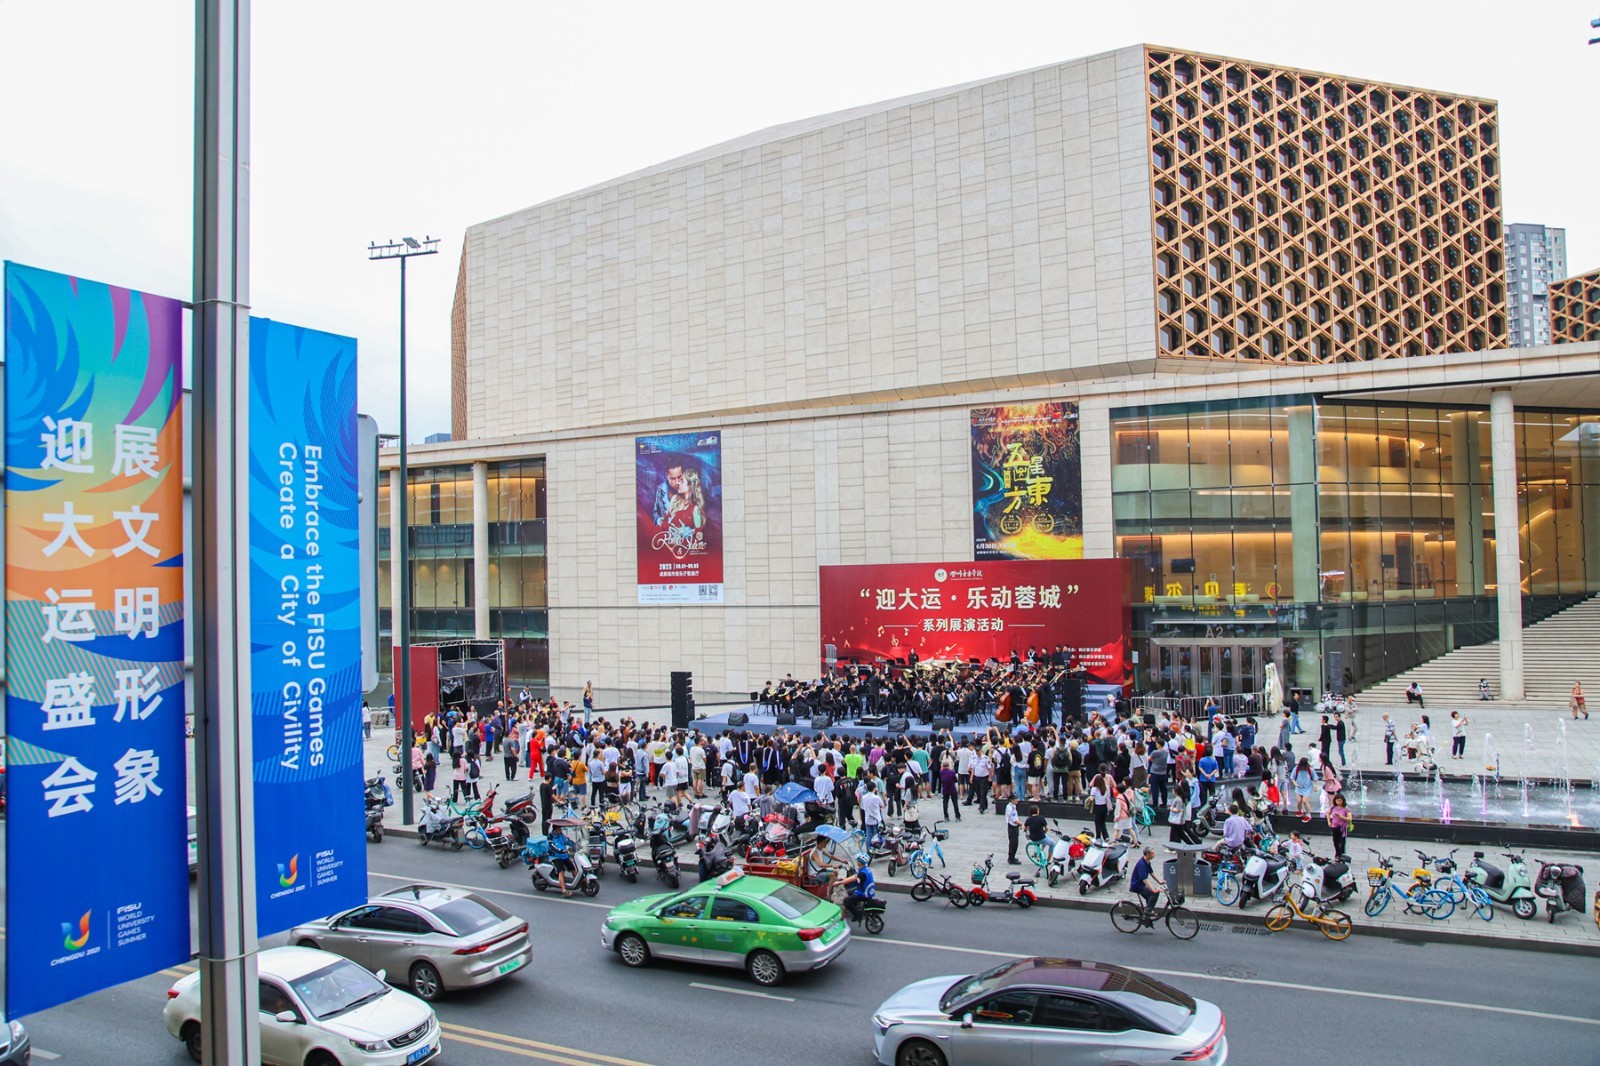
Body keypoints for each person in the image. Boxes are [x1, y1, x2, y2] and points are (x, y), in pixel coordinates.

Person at [1130, 846, 1164, 913]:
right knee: (1154, 894)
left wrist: (1159, 881)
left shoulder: (1147, 861)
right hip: (1137, 886)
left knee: (1151, 895)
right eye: (1152, 853)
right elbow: (1144, 880)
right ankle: (1148, 911)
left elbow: (1151, 872)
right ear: (1148, 854)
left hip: (1140, 885)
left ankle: (1147, 911)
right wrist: (1153, 890)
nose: (1154, 855)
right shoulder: (1142, 864)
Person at [1327, 792, 1353, 858]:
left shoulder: (1346, 808)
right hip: (1334, 826)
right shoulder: (1333, 807)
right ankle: (1337, 854)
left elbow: (1350, 819)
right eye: (1337, 800)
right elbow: (1328, 813)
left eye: (1340, 800)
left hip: (1342, 828)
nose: (1338, 802)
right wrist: (1329, 822)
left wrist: (1341, 817)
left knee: (1342, 842)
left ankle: (1342, 855)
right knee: (1335, 841)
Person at [1291, 757, 1315, 822]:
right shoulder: (1296, 769)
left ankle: (1308, 814)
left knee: (1305, 801)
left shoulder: (1310, 770)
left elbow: (1315, 778)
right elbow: (1292, 778)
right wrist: (1295, 783)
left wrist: (1315, 786)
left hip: (1308, 788)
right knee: (1299, 801)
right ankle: (1300, 811)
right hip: (1299, 787)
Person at [1004, 797, 1021, 864]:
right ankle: (1011, 858)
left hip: (1012, 826)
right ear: (1012, 800)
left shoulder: (1011, 806)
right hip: (1013, 827)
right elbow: (1014, 820)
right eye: (1016, 799)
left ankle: (1011, 857)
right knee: (1014, 843)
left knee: (1013, 843)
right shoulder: (1011, 808)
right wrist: (1021, 824)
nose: (1017, 800)